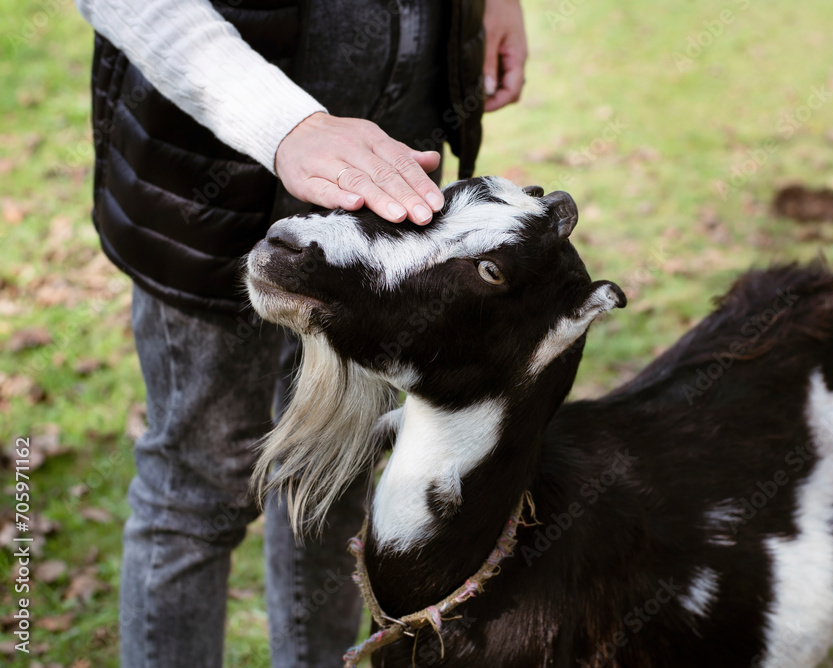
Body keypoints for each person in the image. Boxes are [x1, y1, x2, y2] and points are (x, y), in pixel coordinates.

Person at [73, 0, 527, 665]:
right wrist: (284, 124)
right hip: (212, 183)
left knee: (335, 479)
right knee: (197, 490)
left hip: (388, 173)